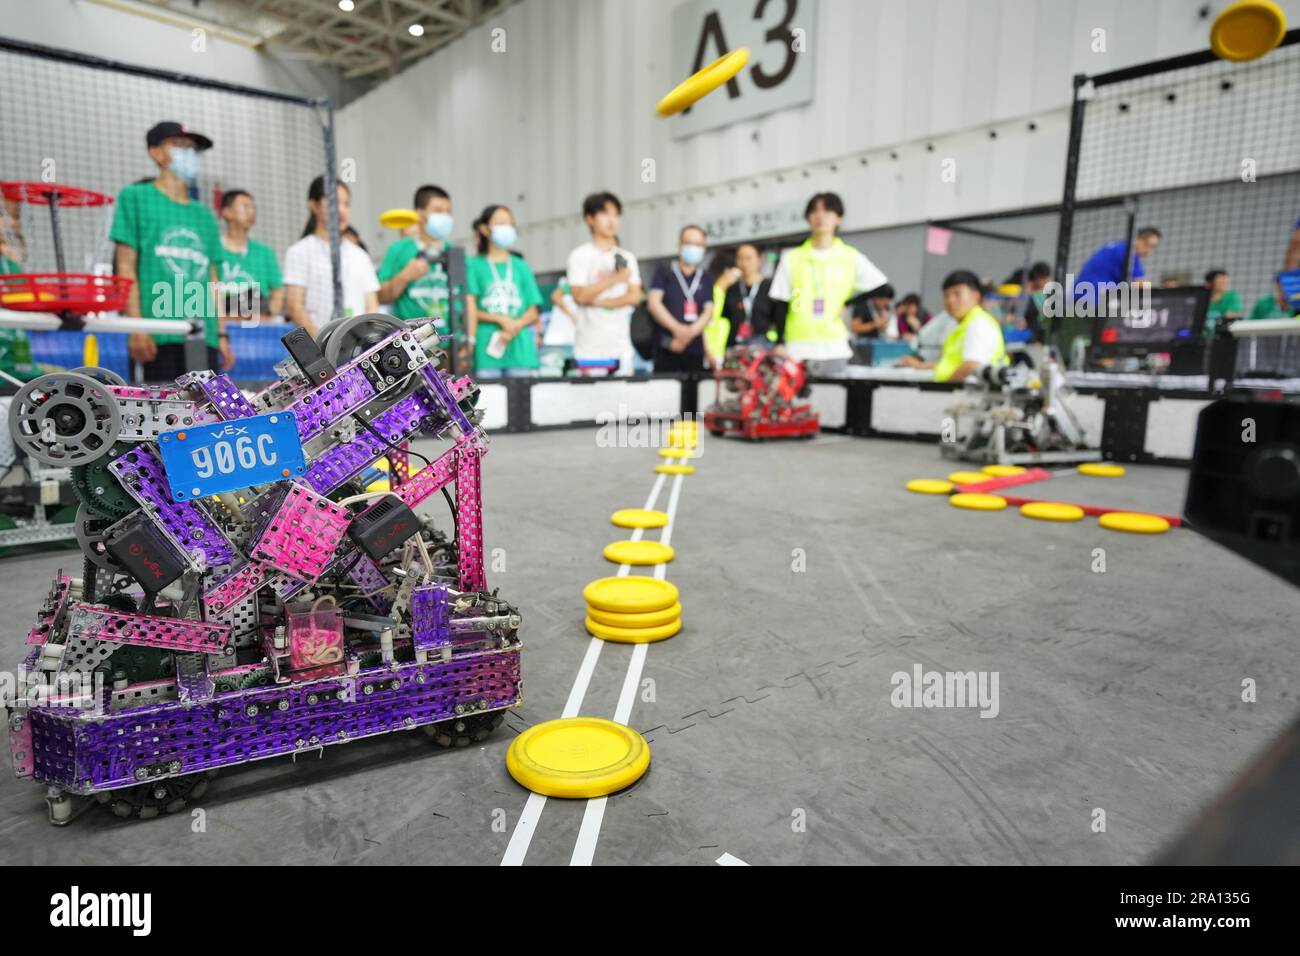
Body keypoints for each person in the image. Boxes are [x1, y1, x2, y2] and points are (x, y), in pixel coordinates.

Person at [110, 120, 232, 379]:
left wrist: (221, 334)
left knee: (206, 412)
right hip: (156, 332)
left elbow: (213, 279)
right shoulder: (135, 197)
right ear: (156, 153)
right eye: (179, 145)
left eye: (193, 148)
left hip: (201, 335)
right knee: (159, 412)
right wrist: (136, 327)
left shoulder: (205, 215)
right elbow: (125, 266)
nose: (189, 153)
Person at [766, 192, 889, 376]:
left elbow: (883, 287)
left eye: (827, 210)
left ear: (838, 218)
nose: (821, 216)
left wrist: (847, 303)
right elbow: (782, 302)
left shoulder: (850, 256)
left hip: (834, 348)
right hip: (796, 349)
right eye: (815, 211)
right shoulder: (792, 257)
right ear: (808, 218)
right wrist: (779, 343)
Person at [282, 176, 379, 337]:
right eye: (334, 202)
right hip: (319, 350)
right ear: (313, 205)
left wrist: (365, 344)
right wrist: (324, 345)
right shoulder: (298, 251)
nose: (341, 210)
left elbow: (372, 306)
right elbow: (295, 306)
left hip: (359, 351)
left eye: (347, 204)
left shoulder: (360, 255)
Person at [566, 192, 643, 374]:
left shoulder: (627, 257)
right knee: (590, 399)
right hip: (589, 348)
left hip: (620, 346)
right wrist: (614, 279)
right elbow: (580, 295)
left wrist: (599, 301)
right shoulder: (580, 255)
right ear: (590, 218)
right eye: (605, 214)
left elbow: (634, 297)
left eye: (616, 215)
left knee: (622, 399)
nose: (612, 220)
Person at [466, 204, 543, 379]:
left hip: (521, 351)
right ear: (485, 229)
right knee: (489, 403)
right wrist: (499, 318)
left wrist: (514, 325)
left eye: (510, 223)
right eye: (501, 223)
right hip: (487, 352)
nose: (506, 228)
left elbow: (533, 310)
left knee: (522, 403)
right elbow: (469, 308)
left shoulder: (521, 266)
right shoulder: (473, 265)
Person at [898, 270, 1006, 382]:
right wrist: (919, 365)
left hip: (968, 395)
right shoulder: (959, 324)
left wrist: (944, 389)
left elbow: (971, 366)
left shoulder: (978, 323)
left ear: (976, 296)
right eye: (946, 295)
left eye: (957, 294)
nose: (950, 300)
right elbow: (951, 365)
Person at [377, 184, 455, 336]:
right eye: (438, 211)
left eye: (448, 212)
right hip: (411, 344)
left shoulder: (455, 253)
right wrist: (405, 276)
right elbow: (381, 297)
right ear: (420, 214)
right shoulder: (399, 250)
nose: (445, 217)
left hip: (449, 342)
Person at [647, 225, 714, 372]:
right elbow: (654, 303)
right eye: (688, 243)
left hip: (695, 347)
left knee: (694, 391)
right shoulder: (664, 271)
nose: (693, 248)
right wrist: (677, 329)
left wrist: (690, 332)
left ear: (704, 247)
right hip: (668, 344)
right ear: (679, 245)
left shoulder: (706, 277)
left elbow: (708, 311)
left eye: (698, 244)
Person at [217, 189, 283, 323]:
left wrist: (266, 316)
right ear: (226, 212)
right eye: (245, 207)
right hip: (221, 329)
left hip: (256, 329)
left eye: (253, 207)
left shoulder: (265, 253)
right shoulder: (212, 250)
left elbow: (278, 295)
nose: (251, 211)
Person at [1074, 227, 1160, 308]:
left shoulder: (1117, 247)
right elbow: (1141, 284)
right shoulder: (1129, 253)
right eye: (1148, 245)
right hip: (1096, 301)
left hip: (1079, 297)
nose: (1149, 250)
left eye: (1152, 247)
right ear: (1138, 239)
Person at [715, 242, 773, 348]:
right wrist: (721, 285)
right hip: (734, 345)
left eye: (749, 258)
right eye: (740, 258)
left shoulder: (770, 287)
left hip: (763, 346)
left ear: (759, 260)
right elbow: (719, 316)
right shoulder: (731, 288)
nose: (744, 263)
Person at [1202, 268, 1243, 337]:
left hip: (1222, 335)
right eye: (1220, 282)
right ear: (1210, 283)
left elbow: (1230, 316)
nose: (1224, 284)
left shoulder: (1232, 297)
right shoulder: (1203, 298)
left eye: (1225, 281)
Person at [1020, 261, 1052, 343]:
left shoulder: (1049, 293)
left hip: (1044, 333)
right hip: (1030, 334)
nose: (1046, 282)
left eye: (1047, 279)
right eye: (1043, 279)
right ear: (1037, 277)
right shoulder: (1026, 292)